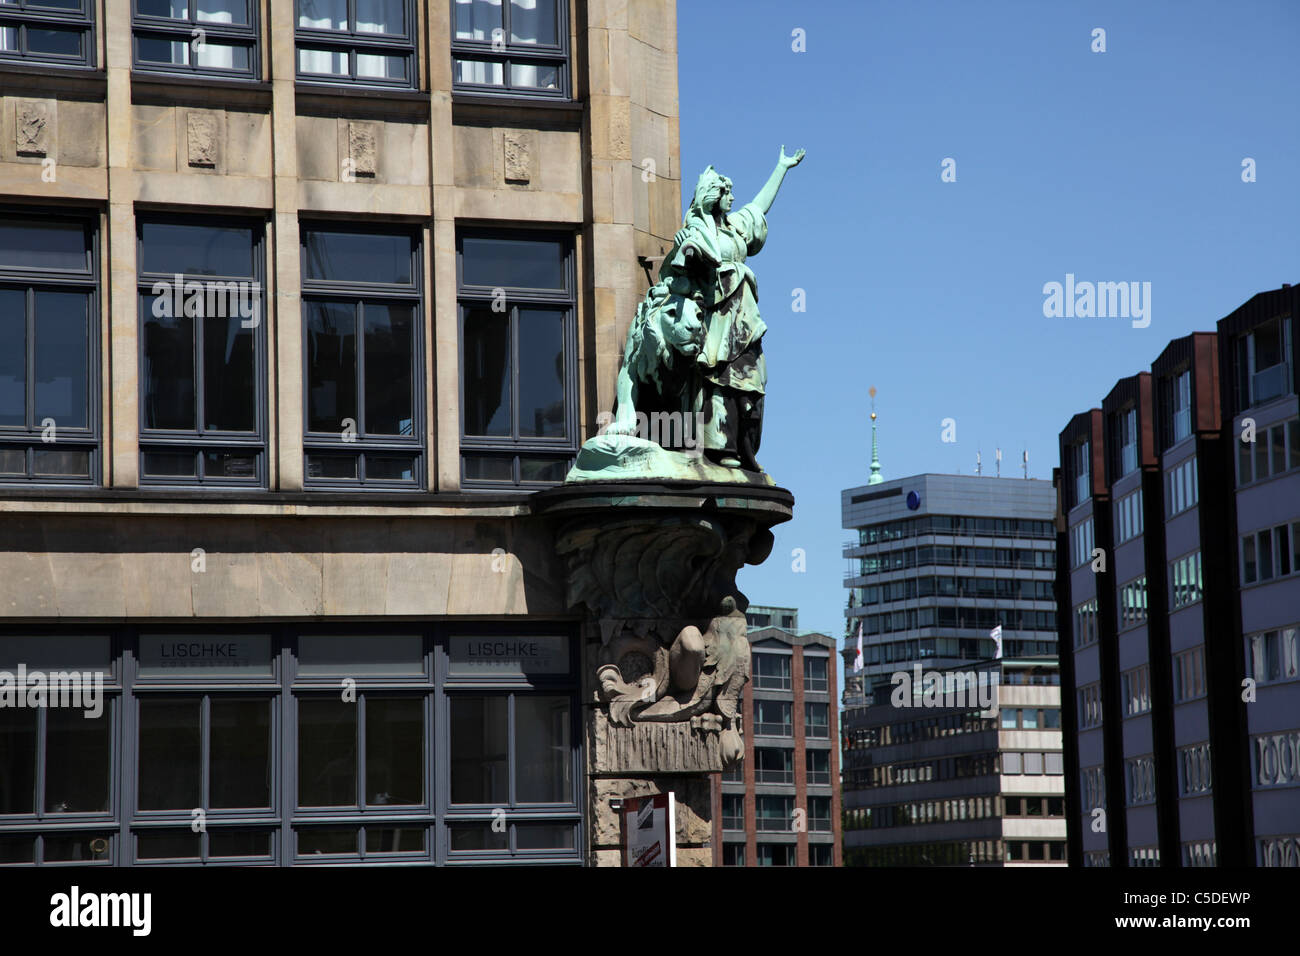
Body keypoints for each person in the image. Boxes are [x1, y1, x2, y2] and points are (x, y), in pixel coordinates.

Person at [659, 145, 806, 470]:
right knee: (718, 383)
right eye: (727, 193)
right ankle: (721, 446)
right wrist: (687, 250)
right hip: (716, 319)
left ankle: (746, 446)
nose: (732, 199)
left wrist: (781, 168)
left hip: (745, 320)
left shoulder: (736, 226)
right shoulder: (696, 231)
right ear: (713, 196)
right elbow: (677, 273)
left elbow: (760, 207)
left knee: (753, 382)